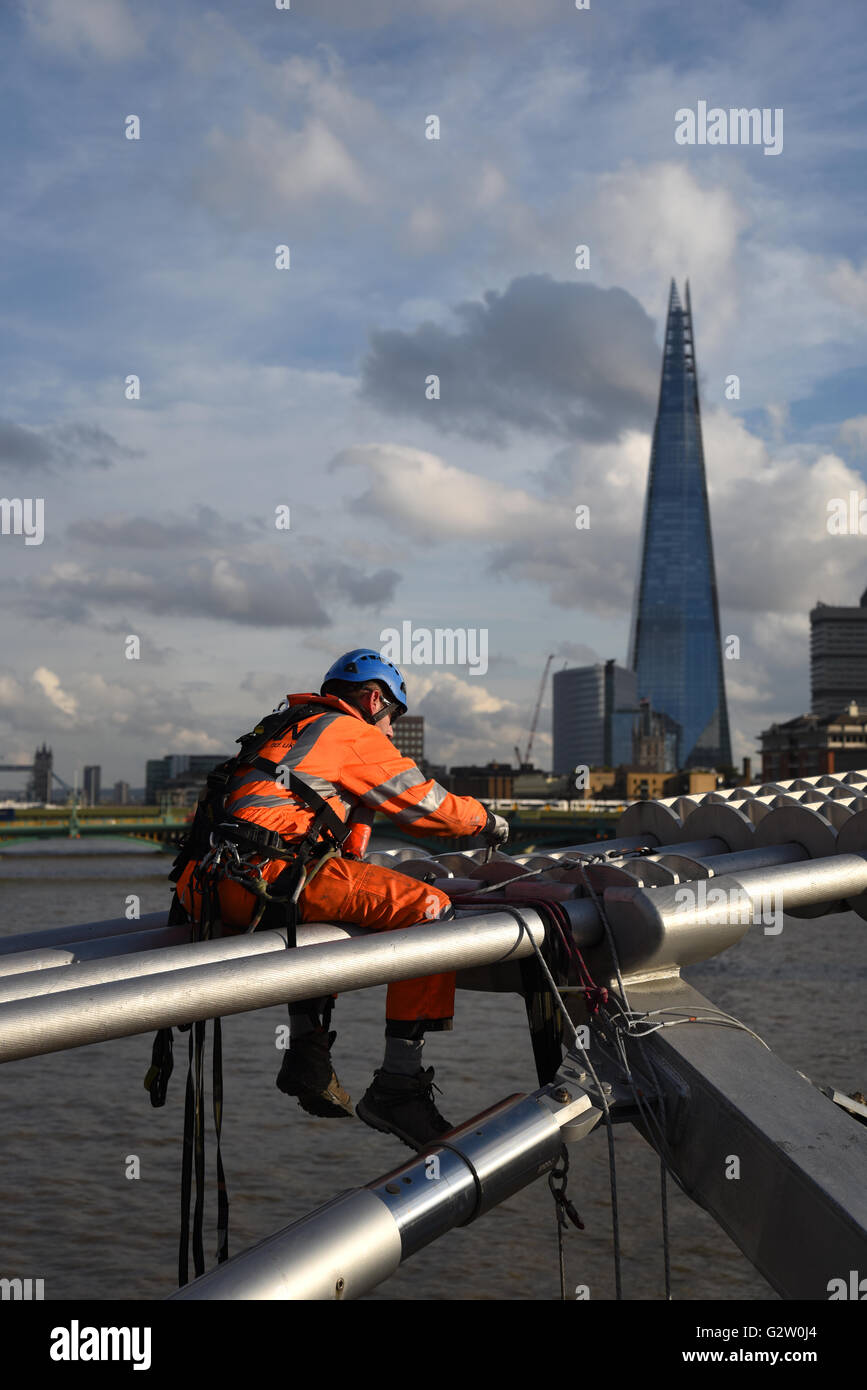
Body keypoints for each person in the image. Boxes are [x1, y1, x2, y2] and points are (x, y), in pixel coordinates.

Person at [172, 649, 509, 1149]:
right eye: (392, 717)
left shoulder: (284, 728)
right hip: (265, 879)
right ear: (374, 699)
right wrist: (488, 822)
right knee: (433, 911)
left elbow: (337, 845)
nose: (391, 732)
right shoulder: (351, 733)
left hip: (207, 889)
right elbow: (429, 808)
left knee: (322, 915)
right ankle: (398, 1086)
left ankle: (308, 1052)